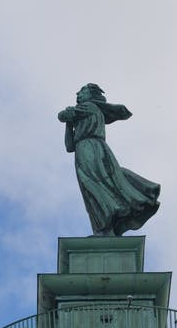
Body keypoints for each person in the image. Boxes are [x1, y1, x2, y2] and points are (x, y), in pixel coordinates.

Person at [58, 84, 160, 236]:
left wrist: (68, 115)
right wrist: (69, 123)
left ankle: (104, 227)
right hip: (83, 150)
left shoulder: (90, 107)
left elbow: (61, 115)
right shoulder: (81, 113)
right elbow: (69, 146)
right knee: (92, 190)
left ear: (91, 95)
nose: (78, 94)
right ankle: (104, 228)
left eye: (82, 91)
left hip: (92, 148)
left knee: (94, 186)